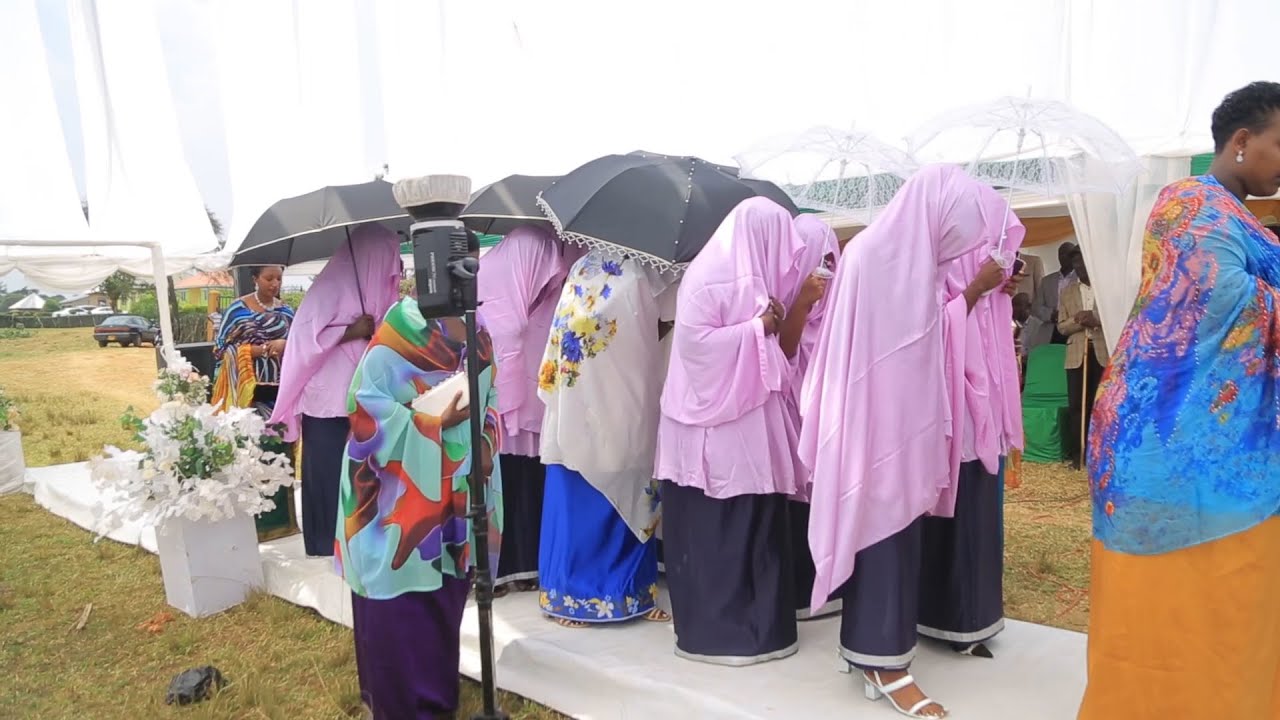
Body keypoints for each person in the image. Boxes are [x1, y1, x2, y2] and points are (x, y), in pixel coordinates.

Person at [1077, 81, 1280, 720]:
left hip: (1224, 451)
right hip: (1173, 450)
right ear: (1242, 141)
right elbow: (1221, 302)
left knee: (1230, 617)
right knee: (1170, 621)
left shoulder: (1239, 219)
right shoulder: (1191, 205)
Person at [798, 165, 1014, 719]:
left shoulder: (918, 262)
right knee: (881, 531)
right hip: (872, 422)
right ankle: (883, 661)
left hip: (908, 420)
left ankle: (870, 647)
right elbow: (862, 351)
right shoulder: (873, 256)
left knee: (897, 531)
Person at [335, 230, 502, 719]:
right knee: (401, 605)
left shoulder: (478, 327)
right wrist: (431, 423)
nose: (466, 281)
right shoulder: (400, 329)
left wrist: (486, 443)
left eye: (473, 269)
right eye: (458, 271)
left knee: (444, 596)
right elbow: (363, 410)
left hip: (459, 490)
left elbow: (492, 397)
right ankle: (400, 706)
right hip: (395, 498)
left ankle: (437, 699)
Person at [656, 197, 808, 666]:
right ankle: (717, 634)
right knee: (719, 531)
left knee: (756, 524)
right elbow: (695, 348)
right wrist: (757, 327)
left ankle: (765, 632)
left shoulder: (751, 278)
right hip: (710, 427)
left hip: (748, 426)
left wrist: (768, 324)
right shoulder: (709, 277)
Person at [536, 251, 673, 628]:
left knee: (626, 480)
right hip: (599, 395)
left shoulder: (627, 268)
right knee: (592, 481)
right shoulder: (622, 269)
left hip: (608, 393)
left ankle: (630, 592)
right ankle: (576, 596)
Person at [917, 205, 1027, 663]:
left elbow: (991, 343)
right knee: (951, 516)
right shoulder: (931, 269)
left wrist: (997, 291)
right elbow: (927, 331)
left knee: (980, 519)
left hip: (985, 413)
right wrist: (977, 288)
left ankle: (974, 618)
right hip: (949, 411)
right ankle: (945, 617)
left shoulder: (983, 284)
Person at [268, 224, 402, 557]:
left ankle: (356, 536)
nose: (393, 265)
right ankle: (324, 541)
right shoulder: (328, 288)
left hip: (365, 394)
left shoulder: (376, 289)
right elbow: (302, 342)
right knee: (327, 470)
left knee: (361, 470)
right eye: (387, 256)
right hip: (327, 398)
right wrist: (349, 331)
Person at [477, 225, 577, 596]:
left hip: (532, 406)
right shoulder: (490, 297)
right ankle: (498, 569)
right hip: (499, 408)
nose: (548, 283)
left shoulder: (539, 300)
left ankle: (530, 564)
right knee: (503, 487)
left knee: (531, 484)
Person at [211, 264, 296, 540]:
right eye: (269, 278)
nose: (275, 284)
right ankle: (255, 525)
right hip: (247, 397)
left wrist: (285, 345)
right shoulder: (237, 310)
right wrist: (253, 351)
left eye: (279, 279)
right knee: (252, 451)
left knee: (279, 450)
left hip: (280, 394)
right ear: (255, 278)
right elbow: (220, 349)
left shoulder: (287, 312)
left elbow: (301, 345)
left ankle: (282, 521)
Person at [786, 214, 840, 621]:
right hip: (791, 419)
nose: (825, 272)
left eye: (831, 261)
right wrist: (802, 304)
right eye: (817, 261)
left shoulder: (842, 313)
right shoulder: (782, 305)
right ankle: (801, 592)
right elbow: (783, 352)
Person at [1057, 247, 1107, 470]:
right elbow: (1061, 327)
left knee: (1100, 404)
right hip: (1077, 354)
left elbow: (1114, 316)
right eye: (1076, 264)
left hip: (1101, 352)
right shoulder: (1067, 292)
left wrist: (1095, 318)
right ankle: (1079, 455)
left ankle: (1100, 454)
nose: (1079, 268)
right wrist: (1078, 320)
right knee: (1077, 405)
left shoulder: (1105, 288)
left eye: (1082, 263)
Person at [1023, 241, 1076, 351]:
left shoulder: (1081, 279)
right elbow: (1036, 307)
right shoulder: (1047, 281)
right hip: (1050, 330)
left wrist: (1066, 315)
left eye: (1068, 254)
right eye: (1061, 254)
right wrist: (1051, 315)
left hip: (1073, 330)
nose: (1064, 257)